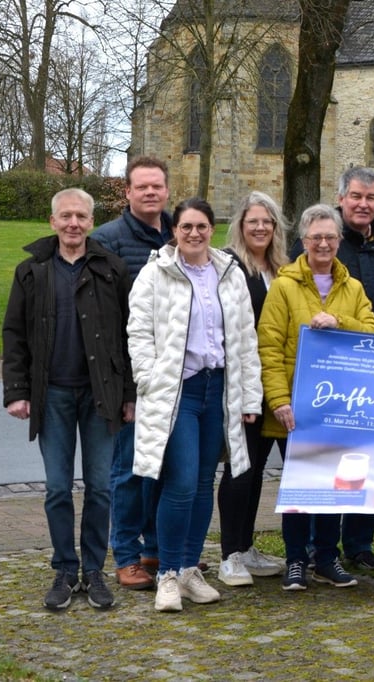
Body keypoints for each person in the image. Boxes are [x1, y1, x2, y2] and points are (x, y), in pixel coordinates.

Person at [127, 197, 263, 612]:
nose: (194, 233)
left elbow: (246, 339)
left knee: (204, 481)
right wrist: (149, 378)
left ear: (211, 229)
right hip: (178, 392)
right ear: (174, 231)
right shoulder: (155, 273)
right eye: (186, 226)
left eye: (201, 226)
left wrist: (250, 395)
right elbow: (138, 333)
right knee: (182, 481)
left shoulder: (229, 274)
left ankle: (189, 569)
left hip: (217, 388)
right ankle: (167, 574)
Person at [2, 188, 135, 611]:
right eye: (66, 216)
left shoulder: (112, 269)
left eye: (81, 216)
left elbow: (130, 337)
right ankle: (64, 569)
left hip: (101, 395)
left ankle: (93, 570)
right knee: (58, 488)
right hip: (52, 394)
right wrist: (16, 391)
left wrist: (129, 395)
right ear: (53, 221)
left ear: (91, 222)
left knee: (100, 488)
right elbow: (14, 334)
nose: (73, 223)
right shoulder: (31, 271)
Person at [258, 203, 374, 591]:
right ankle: (296, 559)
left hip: (339, 405)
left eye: (330, 237)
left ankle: (326, 558)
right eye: (316, 238)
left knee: (333, 484)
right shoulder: (284, 286)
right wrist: (279, 400)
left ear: (340, 240)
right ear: (303, 241)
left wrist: (339, 321)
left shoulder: (352, 288)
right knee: (298, 484)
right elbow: (268, 347)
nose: (323, 244)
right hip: (297, 405)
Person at [291, 167, 374, 572]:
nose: (363, 204)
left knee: (365, 459)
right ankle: (316, 548)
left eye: (370, 198)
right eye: (356, 196)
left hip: (371, 370)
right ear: (341, 199)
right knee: (324, 460)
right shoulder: (323, 242)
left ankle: (359, 543)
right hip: (324, 373)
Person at [93, 155, 174, 590]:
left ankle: (155, 549)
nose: (150, 192)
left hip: (175, 373)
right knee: (128, 470)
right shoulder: (107, 240)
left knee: (164, 468)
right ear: (127, 192)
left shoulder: (182, 233)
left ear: (167, 190)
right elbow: (101, 321)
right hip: (128, 375)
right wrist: (122, 385)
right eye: (141, 186)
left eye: (156, 186)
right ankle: (125, 555)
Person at [215, 191, 292, 587]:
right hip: (242, 383)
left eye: (267, 222)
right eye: (253, 222)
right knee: (240, 469)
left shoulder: (283, 269)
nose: (260, 228)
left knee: (258, 469)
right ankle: (229, 554)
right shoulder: (228, 267)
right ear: (241, 226)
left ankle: (245, 547)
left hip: (274, 382)